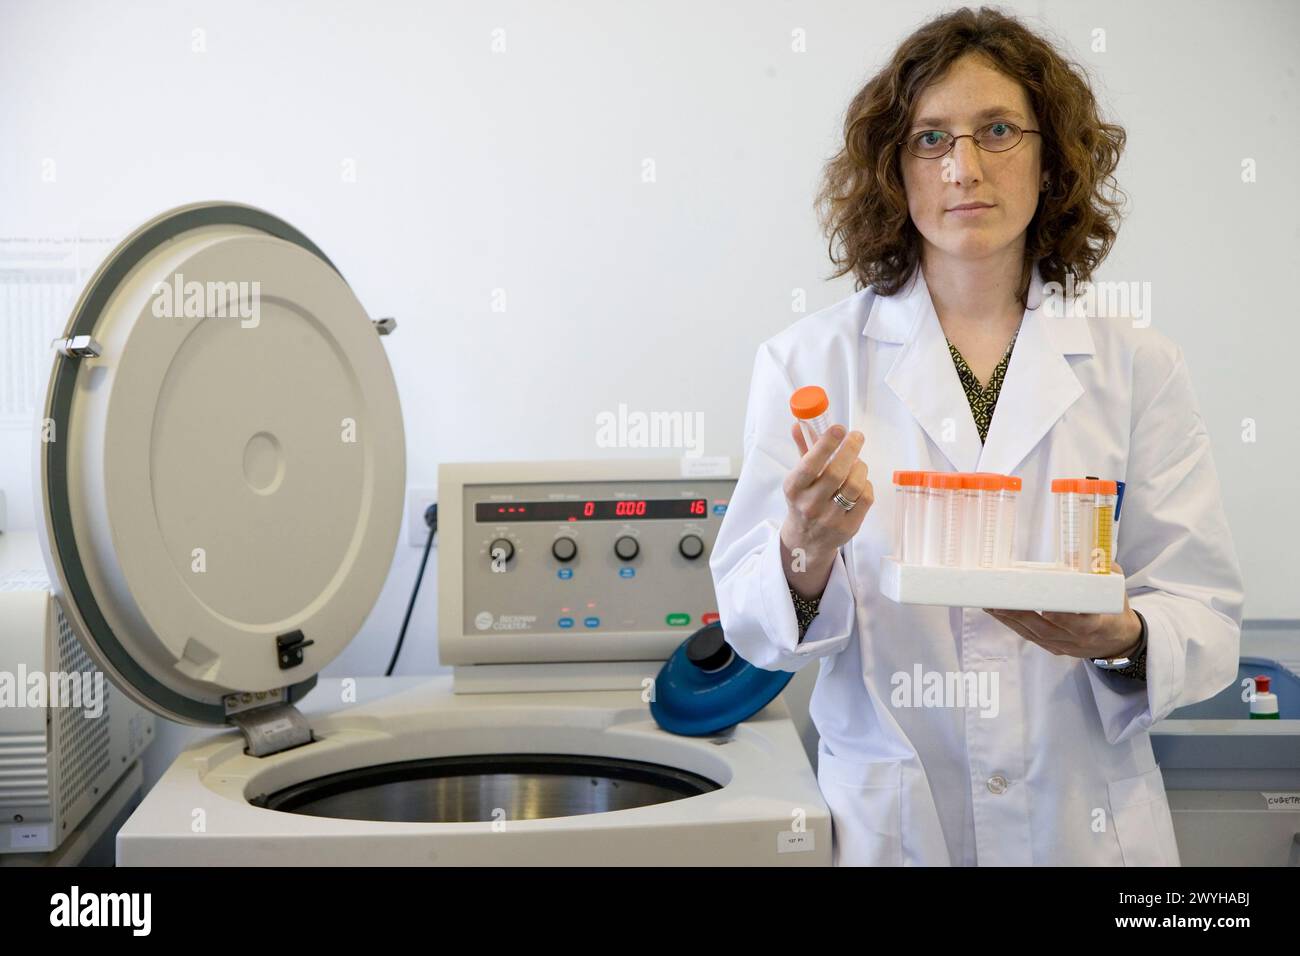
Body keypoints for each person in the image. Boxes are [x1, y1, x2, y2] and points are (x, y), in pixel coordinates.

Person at [708, 6, 1244, 866]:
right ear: (895, 168)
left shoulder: (1138, 367)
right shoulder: (807, 363)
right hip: (897, 824)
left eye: (997, 130)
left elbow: (1206, 615)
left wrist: (1126, 640)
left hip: (1086, 824)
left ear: (1049, 157)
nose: (965, 167)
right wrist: (802, 550)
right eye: (930, 139)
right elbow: (753, 628)